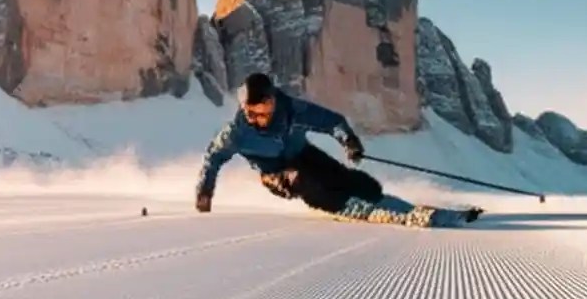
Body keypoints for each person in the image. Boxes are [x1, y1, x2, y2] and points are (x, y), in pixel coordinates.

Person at [194, 73, 482, 228]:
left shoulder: (292, 110)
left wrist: (349, 141)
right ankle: (350, 207)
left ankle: (384, 202)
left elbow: (332, 122)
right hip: (276, 173)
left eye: (265, 109)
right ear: (244, 109)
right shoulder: (237, 132)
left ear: (273, 100)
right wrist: (205, 192)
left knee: (360, 183)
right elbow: (213, 156)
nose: (261, 118)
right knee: (304, 182)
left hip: (304, 154)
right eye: (253, 113)